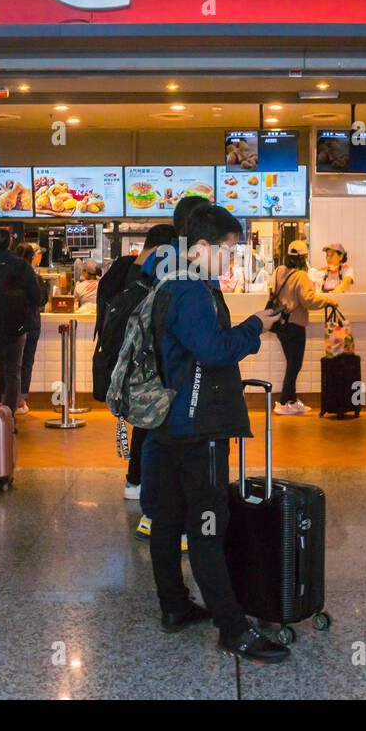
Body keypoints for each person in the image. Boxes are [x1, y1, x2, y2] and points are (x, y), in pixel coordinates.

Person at [147, 203, 290, 662]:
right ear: (203, 247)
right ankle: (234, 629)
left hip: (169, 422)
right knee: (207, 527)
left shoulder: (170, 282)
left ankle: (174, 606)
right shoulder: (192, 290)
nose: (232, 261)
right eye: (228, 251)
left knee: (168, 520)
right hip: (198, 425)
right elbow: (212, 351)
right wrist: (255, 327)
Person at [130, 195, 216, 540]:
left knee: (157, 436)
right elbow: (205, 324)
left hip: (157, 361)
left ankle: (153, 515)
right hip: (186, 364)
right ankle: (183, 522)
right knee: (187, 441)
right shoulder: (196, 262)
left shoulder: (161, 257)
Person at [97, 224, 176, 505]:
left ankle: (136, 480)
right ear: (162, 248)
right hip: (144, 361)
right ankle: (137, 480)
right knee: (150, 423)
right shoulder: (152, 276)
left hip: (122, 361)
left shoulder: (120, 270)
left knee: (145, 422)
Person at [268, 240, 338, 415]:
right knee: (294, 365)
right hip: (295, 324)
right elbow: (308, 300)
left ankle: (291, 400)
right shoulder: (301, 276)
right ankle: (283, 402)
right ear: (303, 258)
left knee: (291, 363)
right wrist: (328, 301)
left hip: (280, 324)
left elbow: (271, 291)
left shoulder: (277, 271)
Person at [0, 228, 39, 415]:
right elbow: (36, 298)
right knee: (13, 373)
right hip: (16, 327)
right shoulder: (23, 267)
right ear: (10, 243)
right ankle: (9, 416)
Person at [13, 242, 44, 414]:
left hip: (11, 324)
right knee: (26, 362)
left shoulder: (8, 274)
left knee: (12, 363)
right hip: (31, 324)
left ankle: (8, 399)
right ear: (32, 257)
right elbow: (41, 300)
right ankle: (20, 401)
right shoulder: (33, 276)